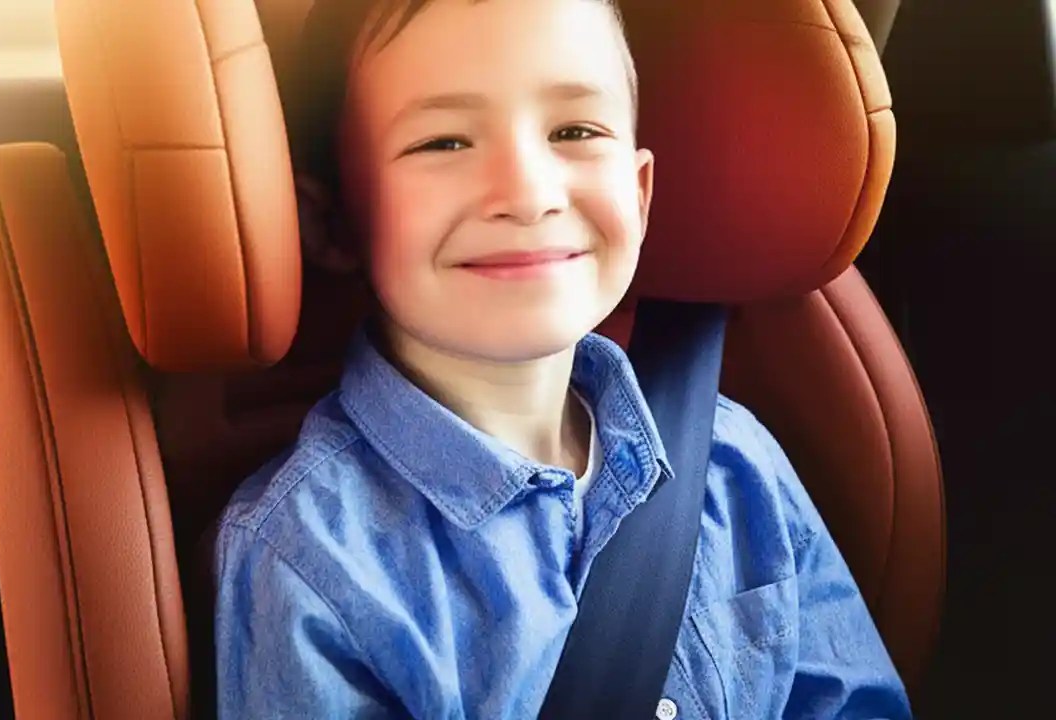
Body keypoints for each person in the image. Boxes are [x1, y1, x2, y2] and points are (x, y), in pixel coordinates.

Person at [212, 0, 910, 717]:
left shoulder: (735, 461)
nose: (529, 194)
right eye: (444, 142)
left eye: (575, 130)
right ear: (333, 222)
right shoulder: (311, 555)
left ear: (640, 195)